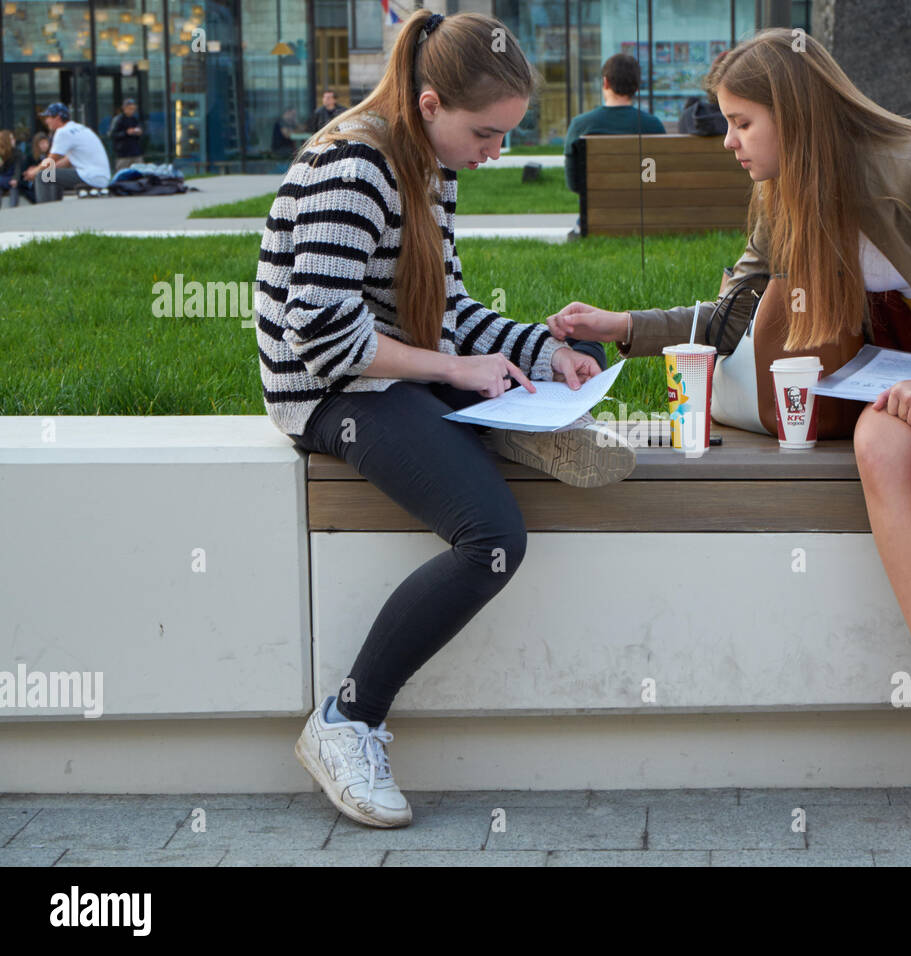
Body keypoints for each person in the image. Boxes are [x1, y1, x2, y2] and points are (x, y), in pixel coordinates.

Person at [546, 28, 911, 827]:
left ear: (796, 114)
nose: (729, 140)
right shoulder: (783, 196)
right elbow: (732, 317)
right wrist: (620, 324)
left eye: (742, 122)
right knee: (878, 445)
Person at [261, 10, 635, 829]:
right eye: (487, 132)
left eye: (506, 134)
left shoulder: (430, 163)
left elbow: (448, 309)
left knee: (509, 382)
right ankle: (344, 722)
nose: (495, 150)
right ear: (429, 104)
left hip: (395, 374)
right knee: (493, 538)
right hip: (330, 394)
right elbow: (318, 331)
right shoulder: (353, 165)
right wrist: (453, 370)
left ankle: (510, 415)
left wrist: (541, 353)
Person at [562, 53, 665, 194]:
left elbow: (574, 184)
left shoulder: (580, 125)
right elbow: (655, 179)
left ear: (605, 82)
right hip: (641, 213)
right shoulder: (653, 126)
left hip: (596, 214)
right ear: (637, 87)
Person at [33, 102, 111, 202]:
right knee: (54, 176)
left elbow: (50, 160)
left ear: (57, 117)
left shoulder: (63, 132)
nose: (46, 121)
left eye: (48, 117)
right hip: (102, 176)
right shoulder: (81, 128)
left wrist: (35, 171)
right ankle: (55, 208)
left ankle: (45, 212)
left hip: (90, 176)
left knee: (43, 176)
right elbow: (68, 160)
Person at [108, 98, 144, 171]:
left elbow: (139, 131)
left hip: (136, 152)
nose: (132, 111)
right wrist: (126, 133)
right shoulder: (118, 119)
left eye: (133, 109)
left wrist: (138, 132)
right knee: (123, 174)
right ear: (124, 108)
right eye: (130, 108)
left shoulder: (134, 119)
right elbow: (112, 135)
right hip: (123, 154)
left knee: (139, 173)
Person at [19, 131, 52, 205]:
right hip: (32, 188)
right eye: (42, 143)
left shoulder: (50, 156)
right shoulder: (29, 158)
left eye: (46, 143)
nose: (45, 145)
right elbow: (24, 176)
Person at [0, 130, 20, 207]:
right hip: (2, 178)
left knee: (14, 190)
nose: (14, 140)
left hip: (12, 178)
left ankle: (13, 210)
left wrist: (15, 178)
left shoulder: (17, 152)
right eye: (11, 139)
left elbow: (18, 168)